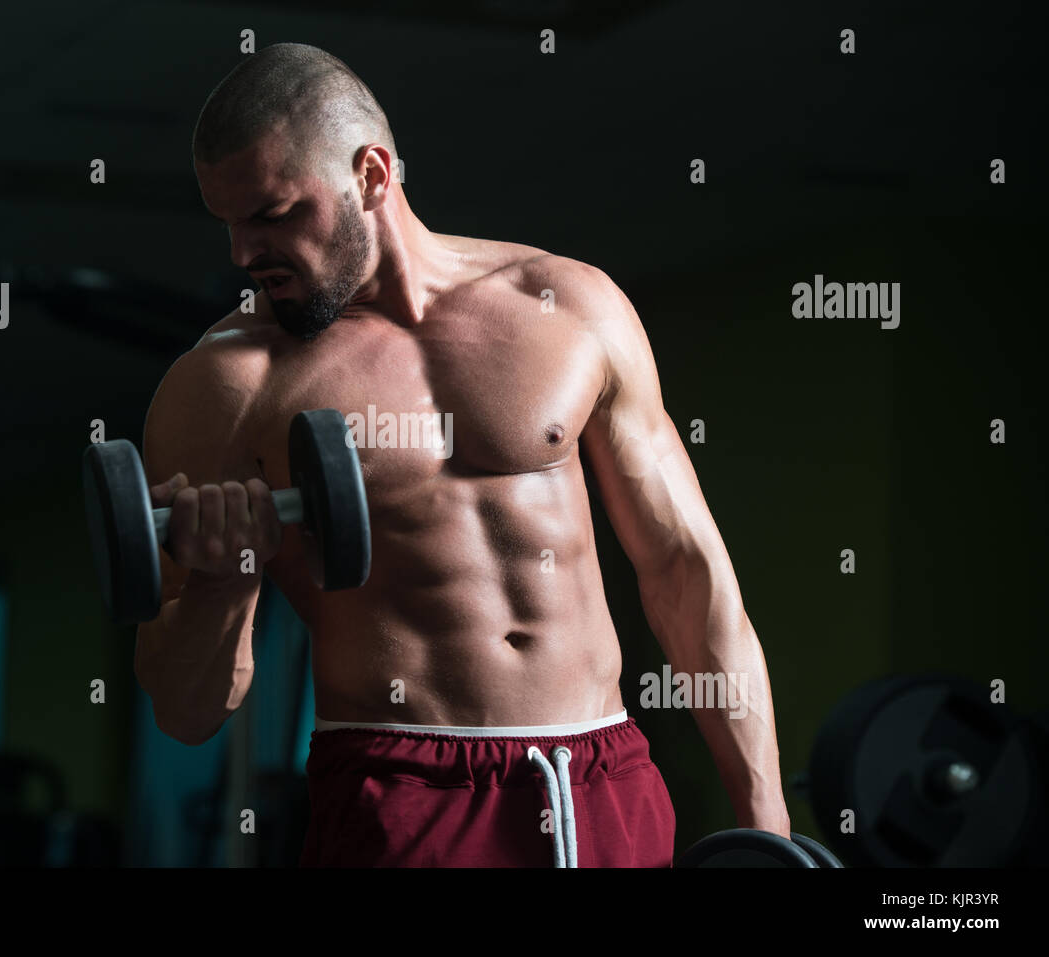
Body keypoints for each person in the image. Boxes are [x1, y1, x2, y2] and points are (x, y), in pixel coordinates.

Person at [134, 42, 789, 866]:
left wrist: (766, 823)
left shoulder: (568, 304)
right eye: (228, 223)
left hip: (605, 778)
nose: (241, 253)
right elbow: (183, 710)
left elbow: (685, 571)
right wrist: (225, 579)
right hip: (403, 792)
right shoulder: (228, 384)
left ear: (372, 173)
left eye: (271, 214)